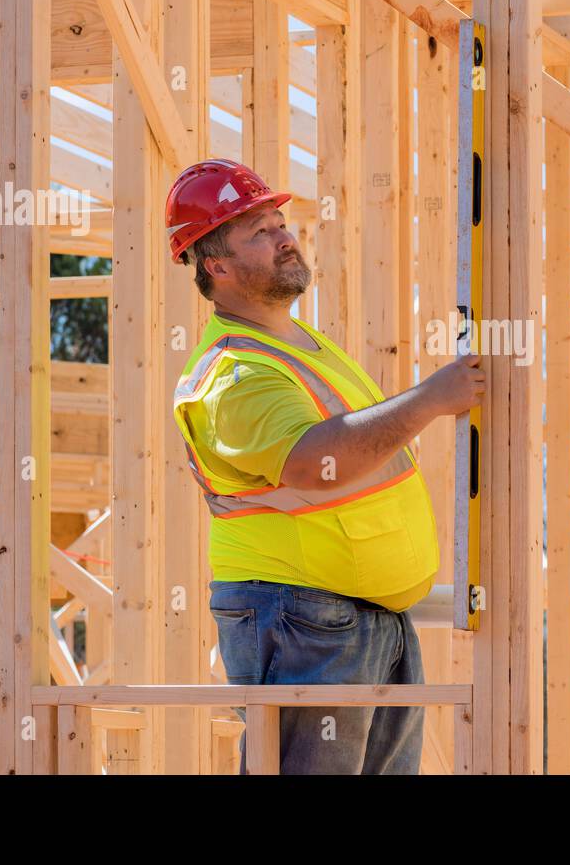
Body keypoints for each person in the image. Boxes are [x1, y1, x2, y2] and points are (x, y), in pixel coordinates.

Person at [168, 159, 484, 774]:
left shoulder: (297, 346)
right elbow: (318, 464)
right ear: (218, 266)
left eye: (279, 222)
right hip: (301, 617)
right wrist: (431, 399)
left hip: (354, 620)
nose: (285, 236)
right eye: (257, 230)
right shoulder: (233, 374)